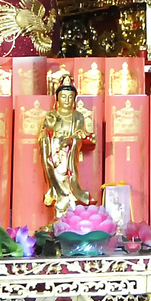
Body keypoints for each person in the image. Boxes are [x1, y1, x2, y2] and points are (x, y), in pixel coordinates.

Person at [37, 81, 97, 214]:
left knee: (69, 178)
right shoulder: (52, 115)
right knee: (56, 176)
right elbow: (44, 134)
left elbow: (80, 133)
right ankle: (61, 208)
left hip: (69, 152)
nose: (67, 100)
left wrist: (72, 139)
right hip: (54, 152)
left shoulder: (77, 116)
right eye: (63, 96)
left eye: (70, 97)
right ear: (57, 99)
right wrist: (50, 129)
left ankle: (68, 210)